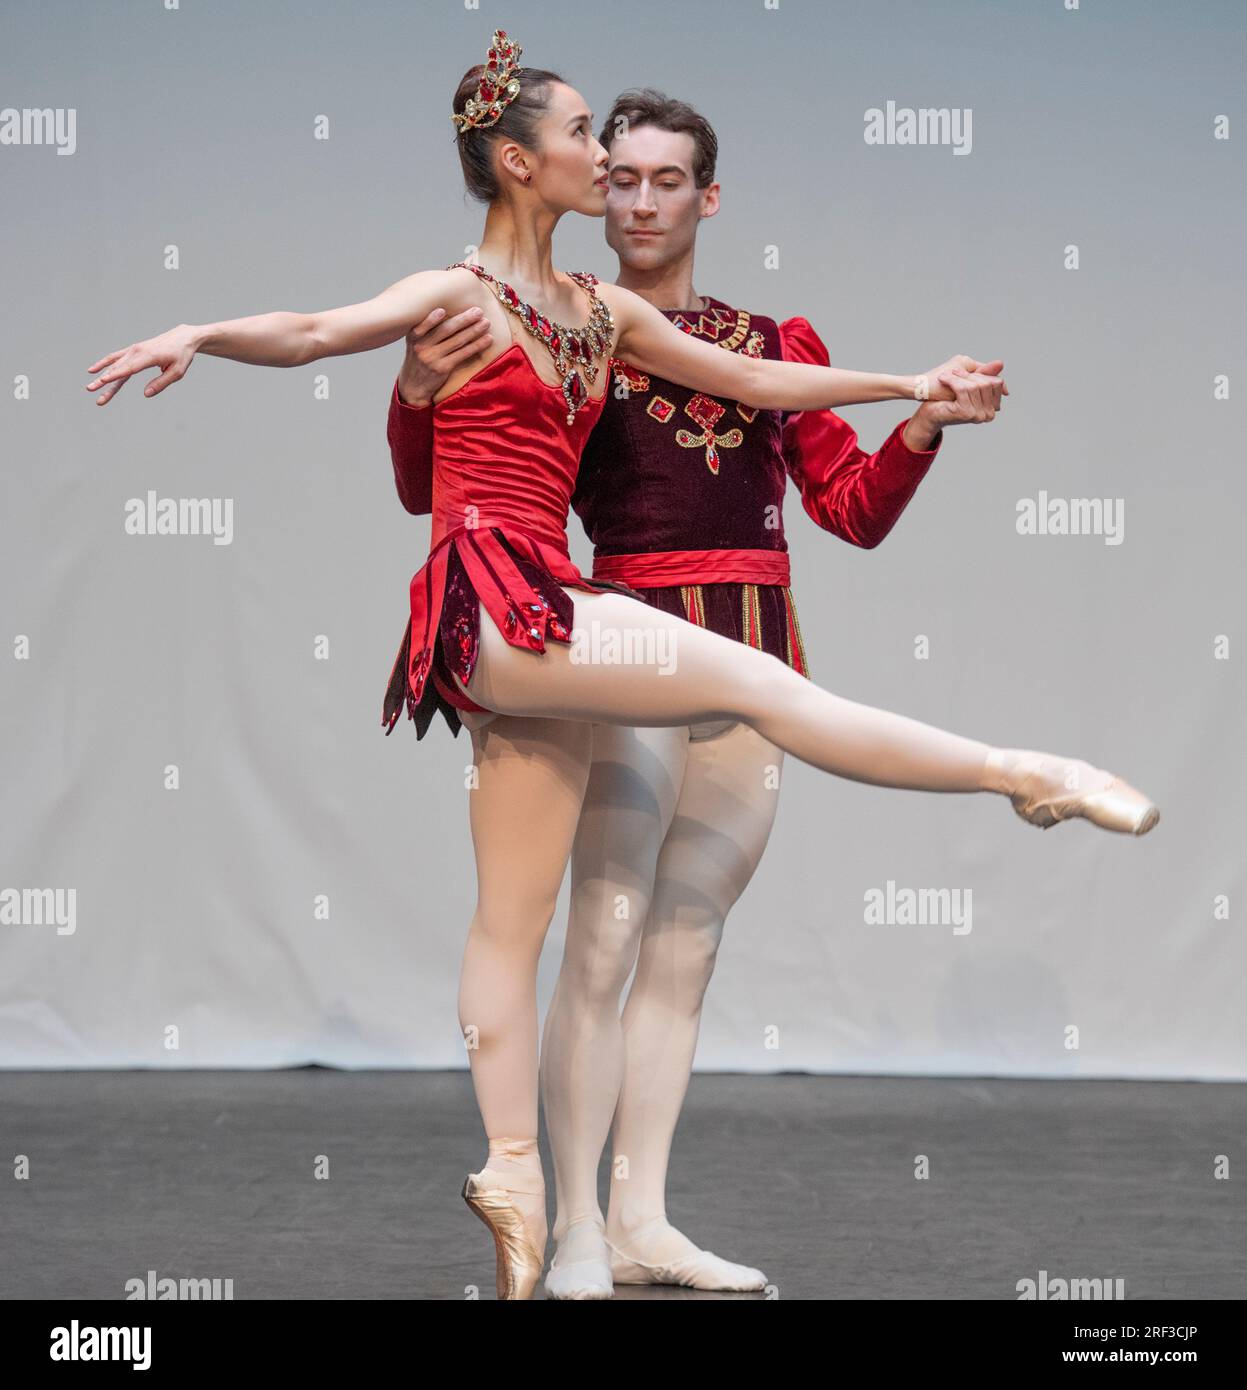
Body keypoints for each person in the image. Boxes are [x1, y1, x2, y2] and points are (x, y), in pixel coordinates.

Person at [85, 30, 1159, 1302]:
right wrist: (203, 332)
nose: (611, 167)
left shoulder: (601, 316)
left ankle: (527, 1180)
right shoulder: (457, 297)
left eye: (646, 163)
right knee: (744, 712)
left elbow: (756, 381)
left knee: (525, 918)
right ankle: (1016, 770)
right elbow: (324, 336)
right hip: (526, 607)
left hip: (562, 624)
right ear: (517, 162)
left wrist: (906, 386)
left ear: (706, 195)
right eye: (591, 142)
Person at [383, 84, 1008, 1300]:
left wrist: (923, 424)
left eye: (669, 180)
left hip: (759, 653)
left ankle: (639, 1220)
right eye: (619, 176)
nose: (641, 199)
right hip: (619, 654)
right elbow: (437, 488)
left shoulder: (778, 345)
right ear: (588, 188)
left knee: (684, 948)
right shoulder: (571, 331)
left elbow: (850, 514)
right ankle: (567, 1237)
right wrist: (412, 392)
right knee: (603, 942)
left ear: (707, 197)